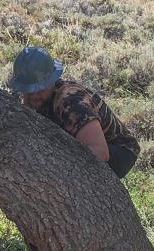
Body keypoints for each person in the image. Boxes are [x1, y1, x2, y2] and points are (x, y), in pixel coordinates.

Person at [8, 46, 141, 178]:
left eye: (40, 89)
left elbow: (100, 152)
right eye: (28, 90)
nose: (34, 96)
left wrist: (57, 166)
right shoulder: (35, 99)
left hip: (118, 151)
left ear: (51, 82)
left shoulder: (71, 103)